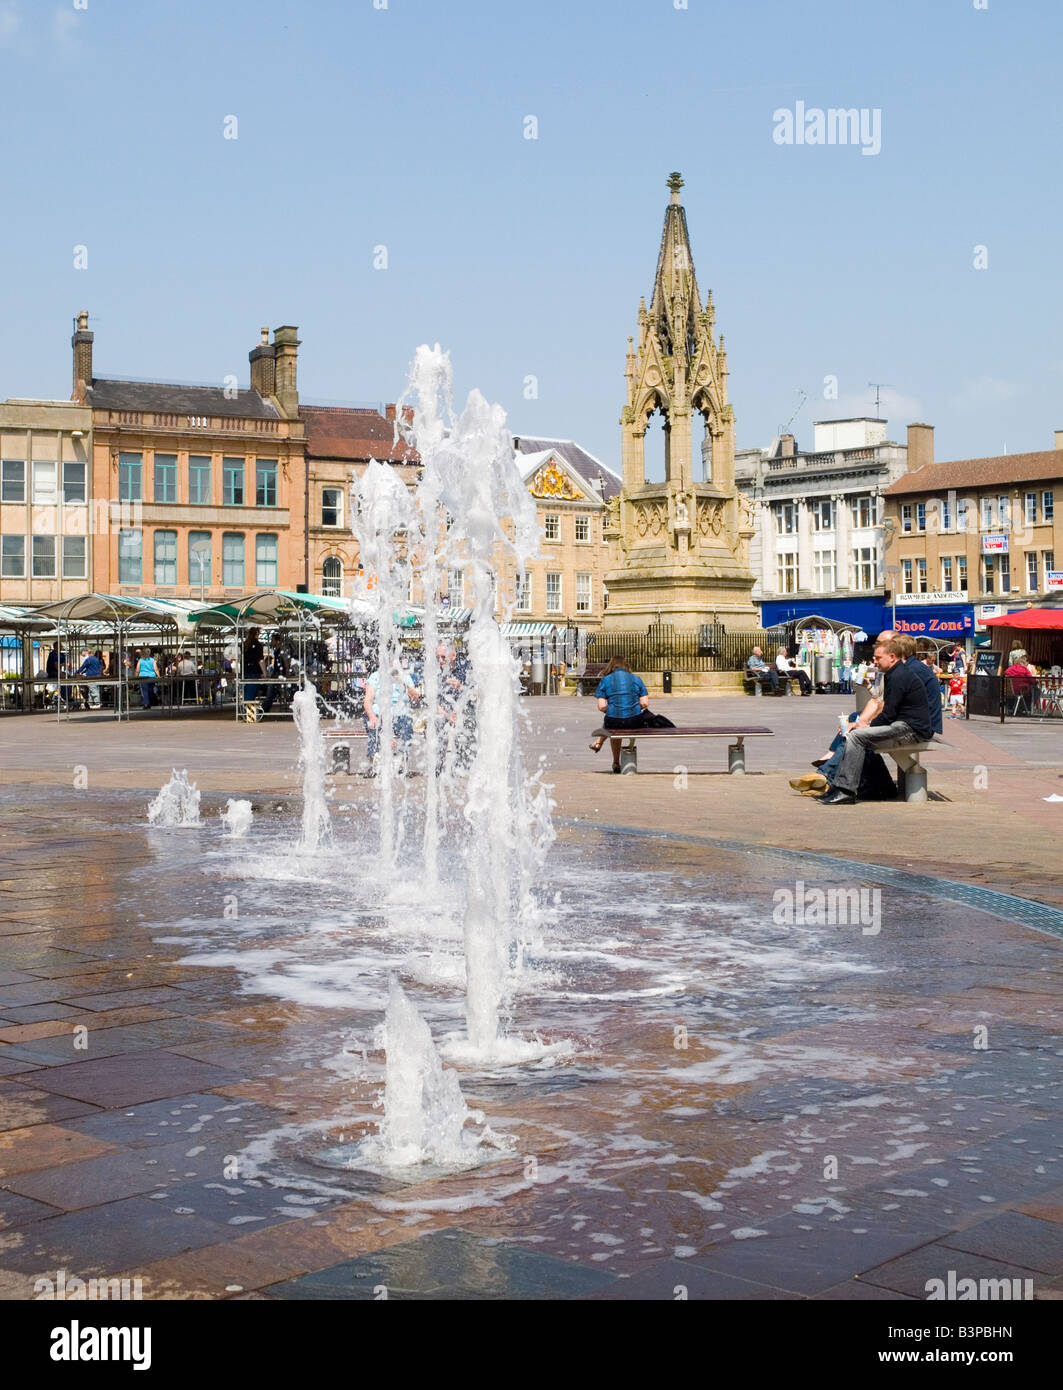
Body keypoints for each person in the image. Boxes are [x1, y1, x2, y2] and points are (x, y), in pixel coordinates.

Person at [819, 636, 932, 805]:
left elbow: (889, 714)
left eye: (878, 658)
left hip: (911, 730)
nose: (875, 662)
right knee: (859, 735)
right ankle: (849, 786)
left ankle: (845, 790)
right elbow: (889, 713)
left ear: (892, 657)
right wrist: (865, 726)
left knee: (857, 737)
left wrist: (865, 726)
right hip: (905, 726)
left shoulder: (899, 676)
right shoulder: (896, 673)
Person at [589, 656, 670, 773]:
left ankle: (615, 762)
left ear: (611, 666)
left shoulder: (605, 680)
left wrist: (613, 708)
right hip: (634, 721)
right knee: (617, 721)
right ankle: (602, 746)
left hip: (613, 722)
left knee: (612, 723)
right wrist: (633, 706)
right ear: (626, 666)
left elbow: (601, 706)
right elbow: (645, 703)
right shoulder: (636, 679)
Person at [363, 657, 422, 772]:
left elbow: (416, 698)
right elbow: (367, 701)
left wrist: (402, 682)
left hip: (400, 714)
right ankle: (374, 761)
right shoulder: (375, 676)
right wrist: (372, 716)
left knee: (406, 726)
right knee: (374, 727)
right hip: (378, 713)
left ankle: (401, 761)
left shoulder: (405, 676)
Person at [243, 627, 265, 702]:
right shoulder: (258, 645)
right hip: (254, 672)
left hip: (246, 672)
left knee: (247, 694)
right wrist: (264, 673)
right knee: (251, 695)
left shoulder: (244, 645)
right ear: (257, 634)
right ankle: (249, 712)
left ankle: (246, 711)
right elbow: (260, 660)